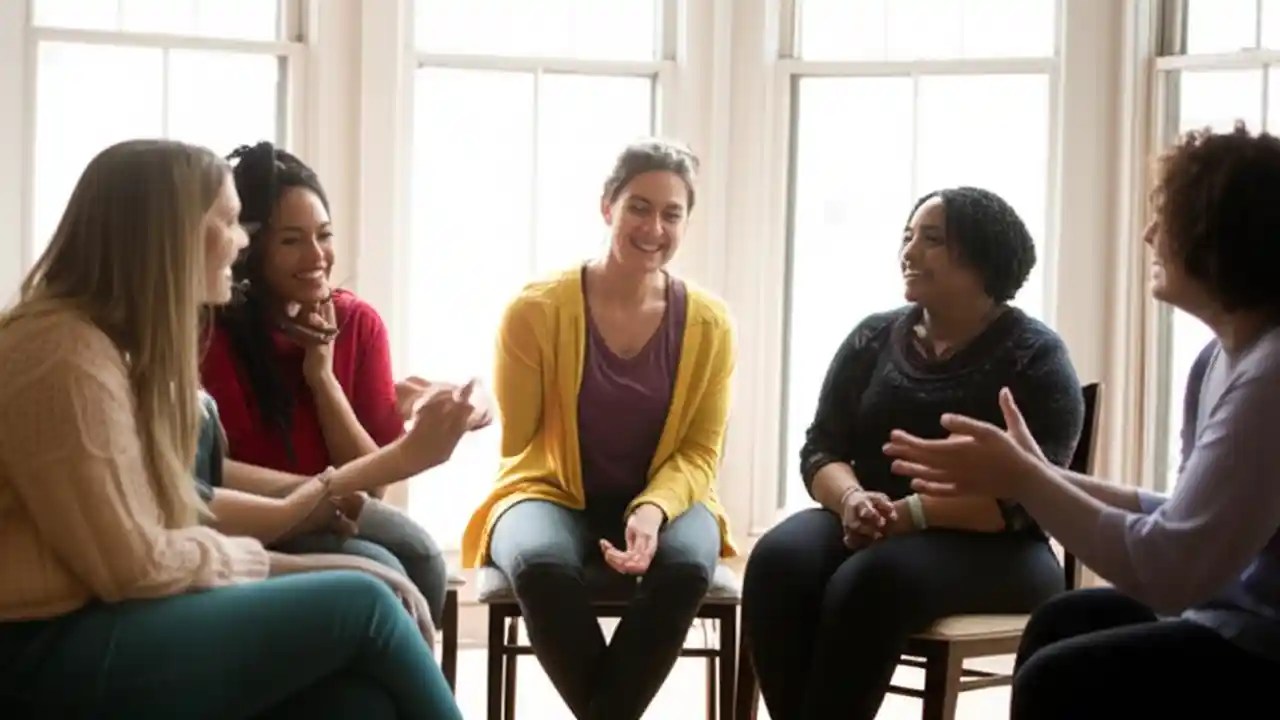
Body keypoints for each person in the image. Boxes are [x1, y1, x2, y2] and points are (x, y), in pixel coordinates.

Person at [0, 139, 472, 718]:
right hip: (42, 646)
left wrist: (328, 560)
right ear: (168, 236)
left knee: (358, 703)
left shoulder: (106, 349)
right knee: (367, 604)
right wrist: (310, 562)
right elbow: (136, 565)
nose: (243, 242)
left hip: (101, 615)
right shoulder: (63, 356)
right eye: (229, 221)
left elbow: (174, 510)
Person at [882, 123, 1280, 717]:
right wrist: (1041, 473)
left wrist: (1026, 481)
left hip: (1263, 643)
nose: (1149, 235)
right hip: (1228, 615)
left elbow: (1172, 572)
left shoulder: (1269, 380)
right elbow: (1181, 519)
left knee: (1061, 677)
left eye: (1165, 218)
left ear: (1220, 236)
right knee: (1066, 620)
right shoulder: (1218, 360)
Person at [742, 186, 1085, 719]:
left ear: (980, 255)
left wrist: (914, 514)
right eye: (907, 237)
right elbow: (821, 448)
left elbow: (1030, 499)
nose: (908, 252)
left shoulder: (1036, 355)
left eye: (931, 239)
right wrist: (854, 499)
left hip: (998, 546)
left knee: (873, 581)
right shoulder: (872, 338)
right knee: (777, 560)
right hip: (871, 519)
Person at [460, 138, 737, 720]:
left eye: (672, 213)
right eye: (639, 206)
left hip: (671, 496)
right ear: (607, 206)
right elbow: (519, 439)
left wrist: (653, 508)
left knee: (686, 567)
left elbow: (699, 451)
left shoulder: (710, 324)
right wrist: (482, 396)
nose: (654, 227)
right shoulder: (535, 309)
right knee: (538, 565)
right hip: (548, 491)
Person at [200, 141, 486, 624]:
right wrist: (316, 496)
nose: (316, 255)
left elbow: (374, 486)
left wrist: (322, 378)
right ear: (251, 248)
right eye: (291, 240)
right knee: (390, 568)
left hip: (339, 508)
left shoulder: (358, 323)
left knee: (423, 559)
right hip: (252, 518)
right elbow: (211, 472)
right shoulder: (212, 332)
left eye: (324, 235)